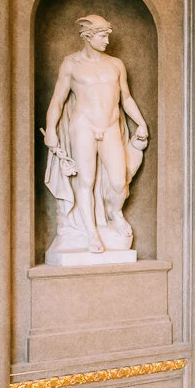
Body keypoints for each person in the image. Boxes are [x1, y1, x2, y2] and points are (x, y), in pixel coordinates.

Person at [42, 14, 149, 254]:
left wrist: (140, 122)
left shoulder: (116, 64)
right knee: (86, 181)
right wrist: (50, 129)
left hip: (110, 126)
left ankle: (115, 212)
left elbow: (126, 98)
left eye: (107, 35)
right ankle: (91, 233)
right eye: (102, 36)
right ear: (88, 36)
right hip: (83, 126)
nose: (107, 41)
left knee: (119, 181)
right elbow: (58, 101)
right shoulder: (71, 64)